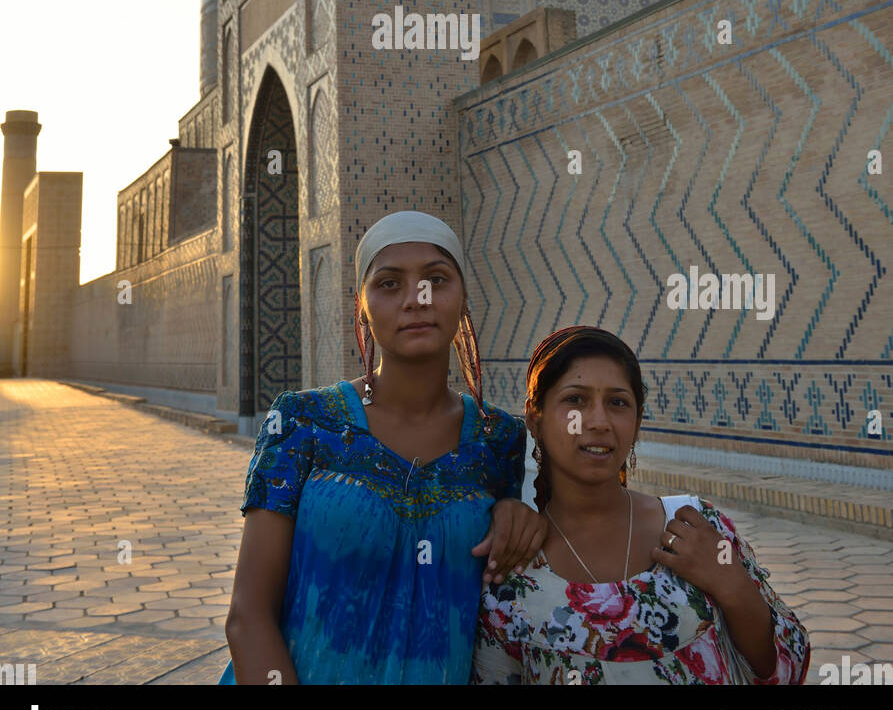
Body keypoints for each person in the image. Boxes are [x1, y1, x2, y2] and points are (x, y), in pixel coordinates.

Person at [219, 210, 546, 684]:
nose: (418, 298)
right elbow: (248, 616)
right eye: (390, 284)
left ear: (463, 298)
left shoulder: (499, 442)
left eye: (436, 278)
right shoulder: (304, 423)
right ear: (362, 306)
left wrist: (522, 518)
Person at [471, 325, 811, 685]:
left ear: (637, 421)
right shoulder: (511, 571)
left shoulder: (697, 527)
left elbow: (788, 669)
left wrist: (733, 587)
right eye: (575, 400)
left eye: (617, 403)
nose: (599, 421)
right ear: (535, 419)